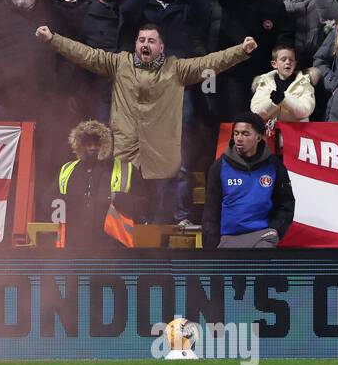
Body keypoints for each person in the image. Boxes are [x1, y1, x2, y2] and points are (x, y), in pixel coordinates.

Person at [36, 22, 258, 224]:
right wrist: (53, 39)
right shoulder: (119, 63)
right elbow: (86, 55)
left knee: (160, 220)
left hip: (161, 156)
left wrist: (241, 50)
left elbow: (209, 62)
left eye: (151, 41)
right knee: (125, 217)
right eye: (141, 40)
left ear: (161, 47)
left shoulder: (176, 69)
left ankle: (169, 241)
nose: (145, 44)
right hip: (125, 155)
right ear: (135, 44)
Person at [202, 114, 295, 249]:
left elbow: (286, 204)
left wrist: (276, 230)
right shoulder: (219, 166)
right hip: (227, 238)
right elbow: (211, 209)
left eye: (245, 134)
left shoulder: (274, 166)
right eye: (236, 133)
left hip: (262, 236)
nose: (239, 138)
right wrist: (211, 245)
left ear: (258, 137)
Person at [45, 120, 135, 249]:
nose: (92, 147)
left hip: (114, 249)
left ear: (105, 144)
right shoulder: (67, 170)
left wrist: (117, 198)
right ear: (80, 145)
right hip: (72, 248)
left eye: (97, 143)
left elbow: (144, 206)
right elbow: (46, 201)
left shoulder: (126, 170)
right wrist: (68, 200)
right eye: (88, 143)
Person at [250, 42, 315, 123]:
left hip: (295, 133)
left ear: (295, 64)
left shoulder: (305, 83)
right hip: (270, 133)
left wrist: (284, 99)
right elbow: (256, 112)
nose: (288, 62)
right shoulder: (265, 82)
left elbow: (305, 110)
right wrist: (272, 103)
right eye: (283, 59)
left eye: (291, 60)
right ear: (274, 64)